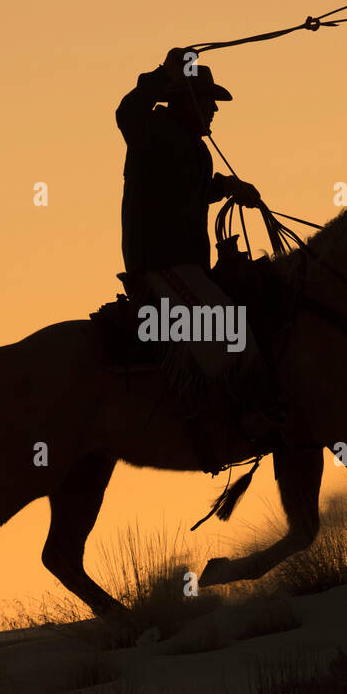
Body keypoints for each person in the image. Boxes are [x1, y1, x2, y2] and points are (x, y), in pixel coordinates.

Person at [115, 47, 285, 449]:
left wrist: (225, 186)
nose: (214, 111)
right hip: (159, 265)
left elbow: (189, 193)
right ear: (186, 101)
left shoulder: (193, 147)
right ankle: (215, 415)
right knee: (223, 322)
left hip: (186, 264)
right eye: (208, 102)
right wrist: (164, 74)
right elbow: (127, 112)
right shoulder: (151, 130)